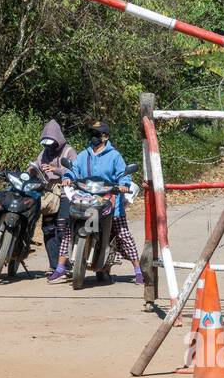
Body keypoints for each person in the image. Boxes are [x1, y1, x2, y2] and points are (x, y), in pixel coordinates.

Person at [48, 120, 144, 286]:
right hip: (85, 197)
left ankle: (138, 271)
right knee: (69, 230)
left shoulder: (114, 156)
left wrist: (123, 185)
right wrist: (67, 178)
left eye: (96, 134)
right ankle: (61, 268)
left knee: (123, 234)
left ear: (105, 137)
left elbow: (124, 174)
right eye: (91, 134)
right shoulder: (84, 155)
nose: (93, 137)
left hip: (109, 198)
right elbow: (72, 170)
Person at [28, 119, 75, 274]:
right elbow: (34, 166)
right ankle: (54, 266)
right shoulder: (44, 153)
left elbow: (75, 171)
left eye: (52, 144)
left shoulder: (68, 152)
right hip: (48, 194)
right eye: (46, 144)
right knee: (48, 228)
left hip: (64, 193)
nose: (49, 147)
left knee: (62, 229)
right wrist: (32, 170)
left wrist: (56, 170)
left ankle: (66, 265)